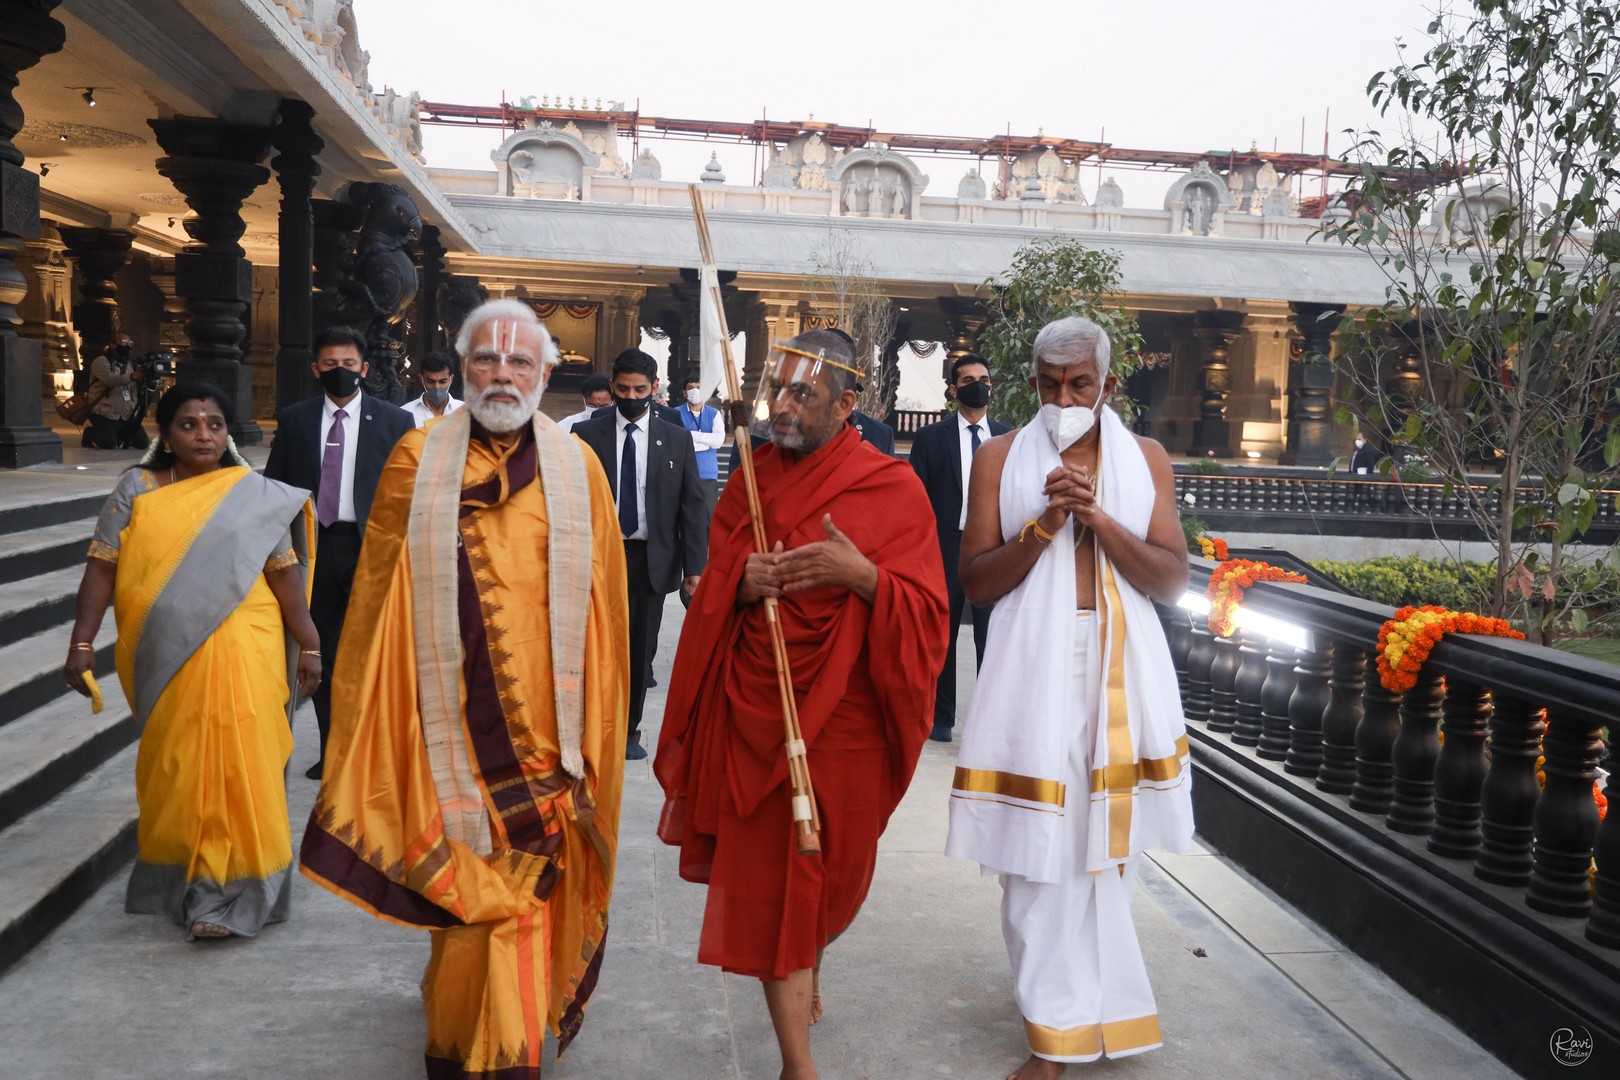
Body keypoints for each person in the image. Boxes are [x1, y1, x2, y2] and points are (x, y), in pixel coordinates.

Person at [300, 298, 629, 1080]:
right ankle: (486, 1052)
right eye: (487, 359)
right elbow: (380, 600)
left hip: (555, 726)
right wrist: (383, 714)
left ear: (547, 373)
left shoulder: (578, 466)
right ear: (458, 368)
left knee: (522, 891)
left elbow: (608, 609)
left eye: (521, 362)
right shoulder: (417, 458)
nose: (503, 374)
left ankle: (495, 1035)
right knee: (477, 889)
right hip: (446, 720)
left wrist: (601, 729)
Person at [656, 329, 949, 1080]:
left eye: (801, 394)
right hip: (757, 713)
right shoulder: (750, 475)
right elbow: (717, 576)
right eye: (776, 390)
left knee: (831, 878)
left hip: (846, 722)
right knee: (781, 885)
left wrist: (865, 577)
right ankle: (797, 1064)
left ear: (847, 404)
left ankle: (807, 967)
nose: (780, 407)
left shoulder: (890, 486)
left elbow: (927, 613)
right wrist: (740, 581)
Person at [945, 317, 1194, 1079]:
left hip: (1122, 670)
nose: (1063, 398)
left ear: (1107, 385)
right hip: (1029, 669)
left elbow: (1171, 580)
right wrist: (1047, 523)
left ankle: (1106, 1011)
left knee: (1101, 851)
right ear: (1033, 384)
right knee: (1033, 851)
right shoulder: (998, 458)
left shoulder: (1144, 459)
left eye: (1079, 384)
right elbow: (977, 582)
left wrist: (1097, 517)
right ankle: (1051, 1033)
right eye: (1050, 385)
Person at [64, 383, 320, 940]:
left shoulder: (250, 491)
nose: (203, 434)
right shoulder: (139, 485)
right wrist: (81, 641)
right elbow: (102, 567)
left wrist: (311, 641)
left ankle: (236, 891)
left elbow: (283, 573)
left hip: (243, 641)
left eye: (215, 424)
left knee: (243, 759)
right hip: (165, 647)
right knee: (180, 763)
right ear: (165, 432)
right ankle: (185, 879)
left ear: (229, 434)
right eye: (189, 424)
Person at [263, 324, 415, 779]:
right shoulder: (295, 419)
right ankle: (333, 750)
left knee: (369, 652)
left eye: (349, 365)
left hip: (370, 548)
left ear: (364, 369)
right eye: (330, 365)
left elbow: (408, 489)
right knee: (321, 650)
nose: (340, 372)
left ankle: (370, 751)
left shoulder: (395, 421)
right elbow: (274, 488)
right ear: (316, 369)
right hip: (312, 549)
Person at [573, 348, 708, 760]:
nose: (632, 396)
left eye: (640, 389)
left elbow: (693, 507)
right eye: (624, 388)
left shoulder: (677, 438)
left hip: (653, 558)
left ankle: (629, 729)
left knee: (639, 650)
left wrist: (694, 568)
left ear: (654, 389)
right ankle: (591, 722)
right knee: (596, 645)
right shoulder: (586, 435)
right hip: (600, 557)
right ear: (613, 387)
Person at [909, 353, 1013, 742]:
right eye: (968, 379)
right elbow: (916, 498)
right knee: (943, 634)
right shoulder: (930, 438)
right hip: (945, 546)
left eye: (984, 378)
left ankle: (989, 720)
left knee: (992, 635)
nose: (978, 385)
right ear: (953, 389)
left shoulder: (1008, 438)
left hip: (992, 548)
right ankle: (941, 718)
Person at [83, 333, 153, 450]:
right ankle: (90, 433)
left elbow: (139, 386)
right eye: (123, 342)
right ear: (112, 345)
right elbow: (109, 380)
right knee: (108, 444)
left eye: (130, 343)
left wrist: (151, 381)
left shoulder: (132, 364)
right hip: (104, 413)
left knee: (143, 443)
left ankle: (118, 434)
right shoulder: (101, 361)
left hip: (126, 415)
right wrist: (132, 376)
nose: (127, 346)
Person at [678, 370, 725, 516]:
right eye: (690, 388)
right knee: (685, 517)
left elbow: (718, 441)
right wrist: (706, 441)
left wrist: (692, 436)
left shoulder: (714, 413)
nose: (695, 391)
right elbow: (678, 441)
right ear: (684, 392)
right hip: (683, 475)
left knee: (708, 517)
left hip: (707, 475)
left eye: (698, 388)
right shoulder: (676, 413)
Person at [401, 350, 463, 427]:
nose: (437, 387)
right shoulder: (405, 413)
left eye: (442, 382)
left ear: (451, 379)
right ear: (421, 379)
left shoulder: (465, 413)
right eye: (430, 382)